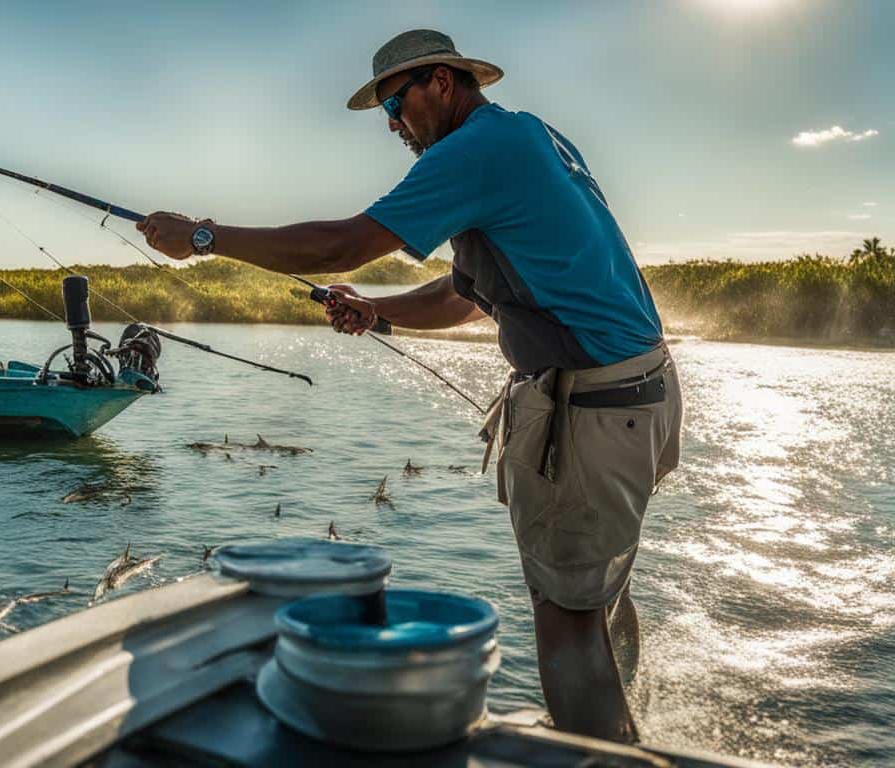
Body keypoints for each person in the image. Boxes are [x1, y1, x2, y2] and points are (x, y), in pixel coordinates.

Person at [135, 29, 684, 744]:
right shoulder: (528, 139)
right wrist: (379, 311)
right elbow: (464, 295)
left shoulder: (475, 149)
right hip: (641, 393)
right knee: (598, 592)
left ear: (441, 83)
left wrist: (204, 238)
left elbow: (341, 244)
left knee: (567, 619)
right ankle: (618, 728)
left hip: (592, 409)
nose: (393, 126)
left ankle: (599, 750)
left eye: (395, 105)